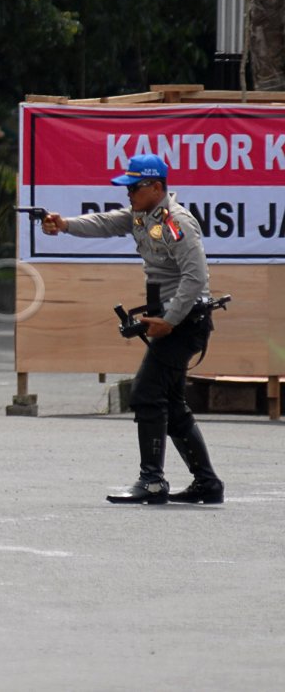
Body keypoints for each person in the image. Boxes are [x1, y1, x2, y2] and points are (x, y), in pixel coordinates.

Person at [40, 154, 224, 505]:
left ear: (156, 187)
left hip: (184, 321)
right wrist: (64, 224)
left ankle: (152, 482)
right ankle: (207, 483)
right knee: (171, 402)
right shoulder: (143, 215)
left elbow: (196, 277)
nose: (129, 194)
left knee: (145, 393)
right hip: (170, 320)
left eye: (134, 187)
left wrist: (170, 320)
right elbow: (104, 222)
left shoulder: (176, 222)